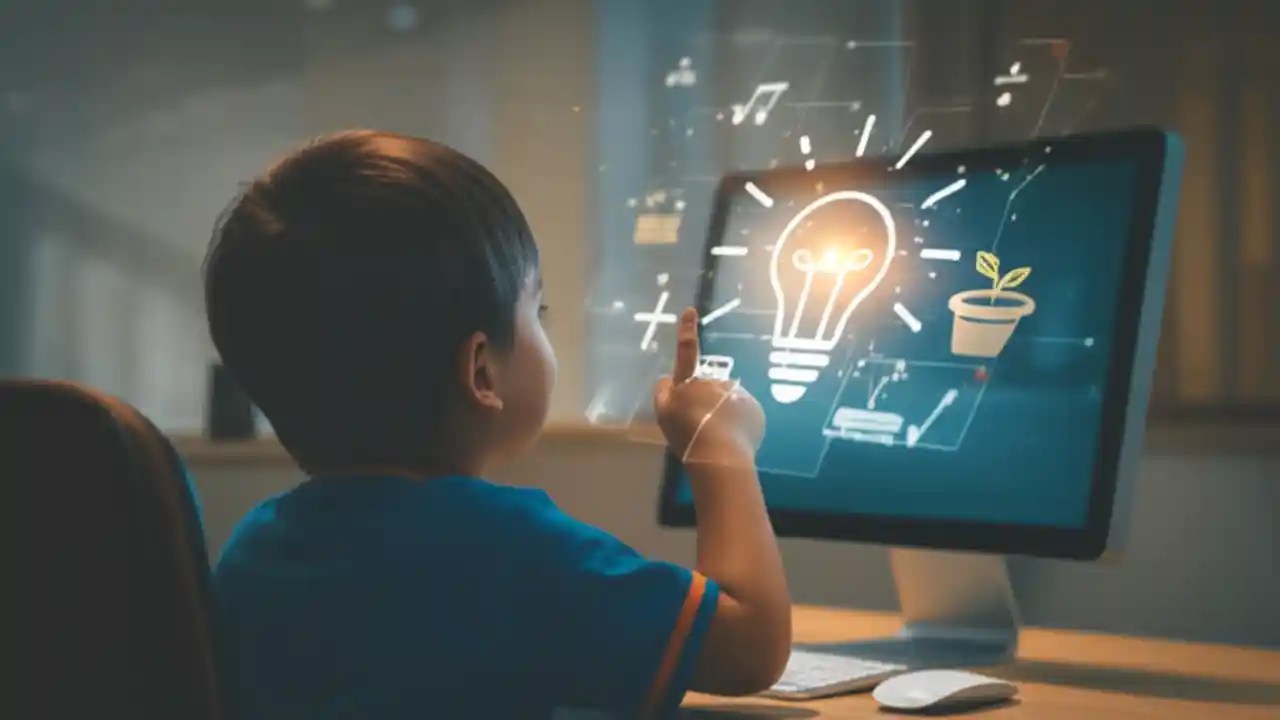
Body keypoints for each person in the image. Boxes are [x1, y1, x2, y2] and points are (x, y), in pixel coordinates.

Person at [206, 130, 790, 719]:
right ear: (481, 372)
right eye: (537, 309)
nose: (545, 327)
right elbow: (751, 648)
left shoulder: (254, 551)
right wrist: (719, 445)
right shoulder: (511, 549)